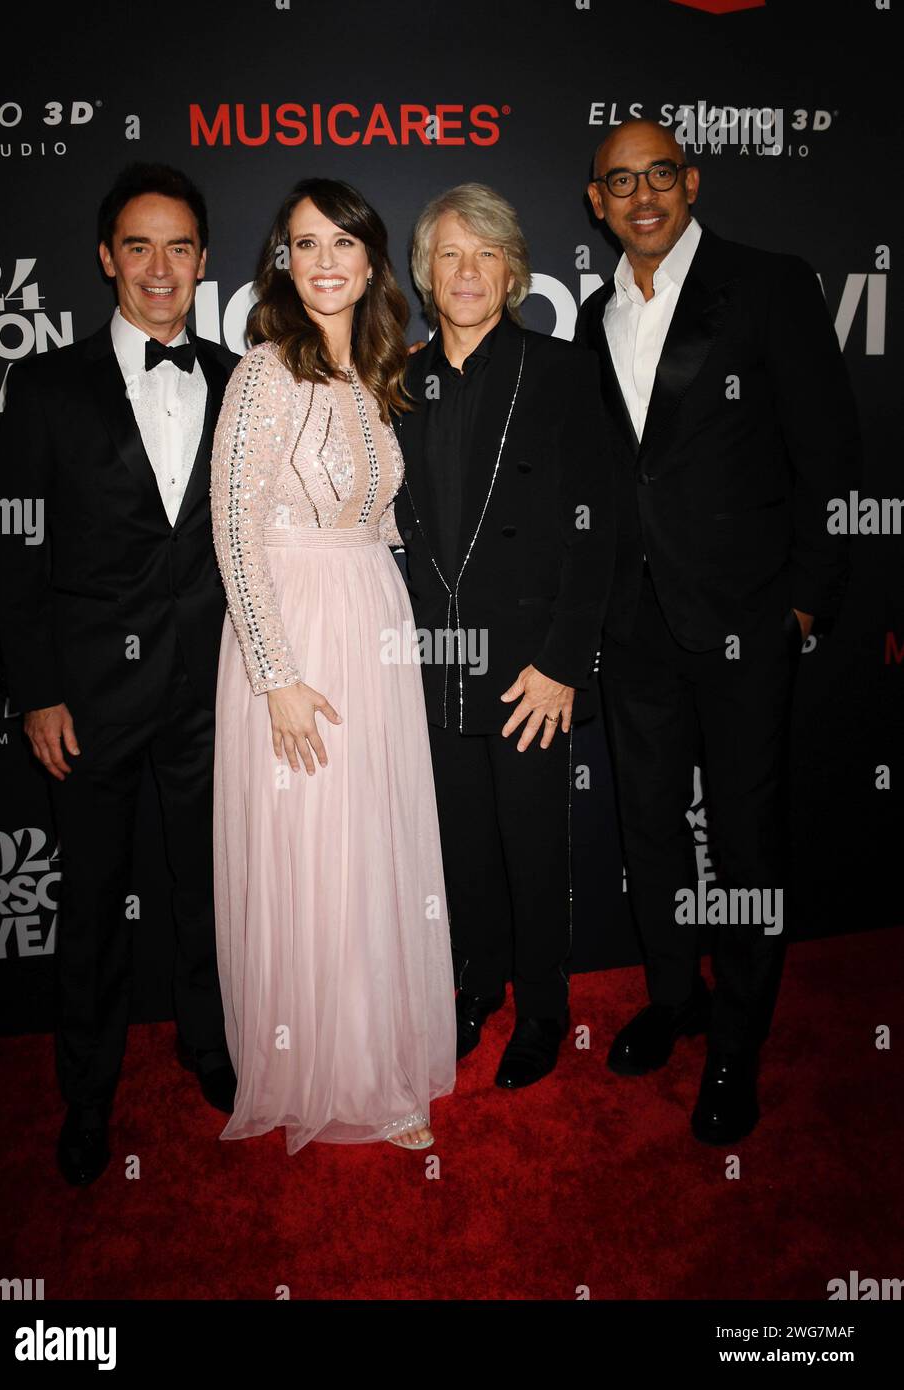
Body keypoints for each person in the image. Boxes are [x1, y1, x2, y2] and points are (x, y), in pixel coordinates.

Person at [575, 118, 860, 1143]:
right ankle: (673, 996)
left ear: (690, 182)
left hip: (747, 621)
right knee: (647, 827)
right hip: (636, 627)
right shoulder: (593, 320)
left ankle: (737, 1041)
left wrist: (804, 600)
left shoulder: (770, 282)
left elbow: (831, 453)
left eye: (660, 174)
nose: (643, 195)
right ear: (596, 202)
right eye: (621, 181)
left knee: (747, 844)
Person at [0, 162, 239, 1186]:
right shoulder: (45, 384)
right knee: (89, 905)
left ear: (203, 261)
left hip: (212, 694)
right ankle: (86, 1095)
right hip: (88, 701)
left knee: (207, 893)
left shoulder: (239, 377)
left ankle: (209, 1047)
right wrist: (37, 690)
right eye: (138, 245)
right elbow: (16, 551)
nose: (159, 267)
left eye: (179, 246)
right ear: (105, 258)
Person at [210, 178, 455, 1154]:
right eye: (303, 243)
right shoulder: (266, 373)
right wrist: (277, 676)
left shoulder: (379, 374)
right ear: (283, 260)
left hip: (371, 623)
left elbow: (379, 519)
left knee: (371, 848)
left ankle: (378, 1055)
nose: (322, 261)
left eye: (341, 244)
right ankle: (327, 1067)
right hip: (297, 636)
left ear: (370, 261)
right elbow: (234, 528)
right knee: (313, 854)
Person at [395, 184, 613, 1088]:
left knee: (533, 850)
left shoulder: (559, 370)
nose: (467, 272)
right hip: (430, 667)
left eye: (485, 254)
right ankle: (476, 987)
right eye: (450, 254)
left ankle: (545, 1012)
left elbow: (600, 527)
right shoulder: (399, 381)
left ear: (513, 270)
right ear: (424, 274)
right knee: (461, 852)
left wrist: (563, 662)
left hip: (530, 670)